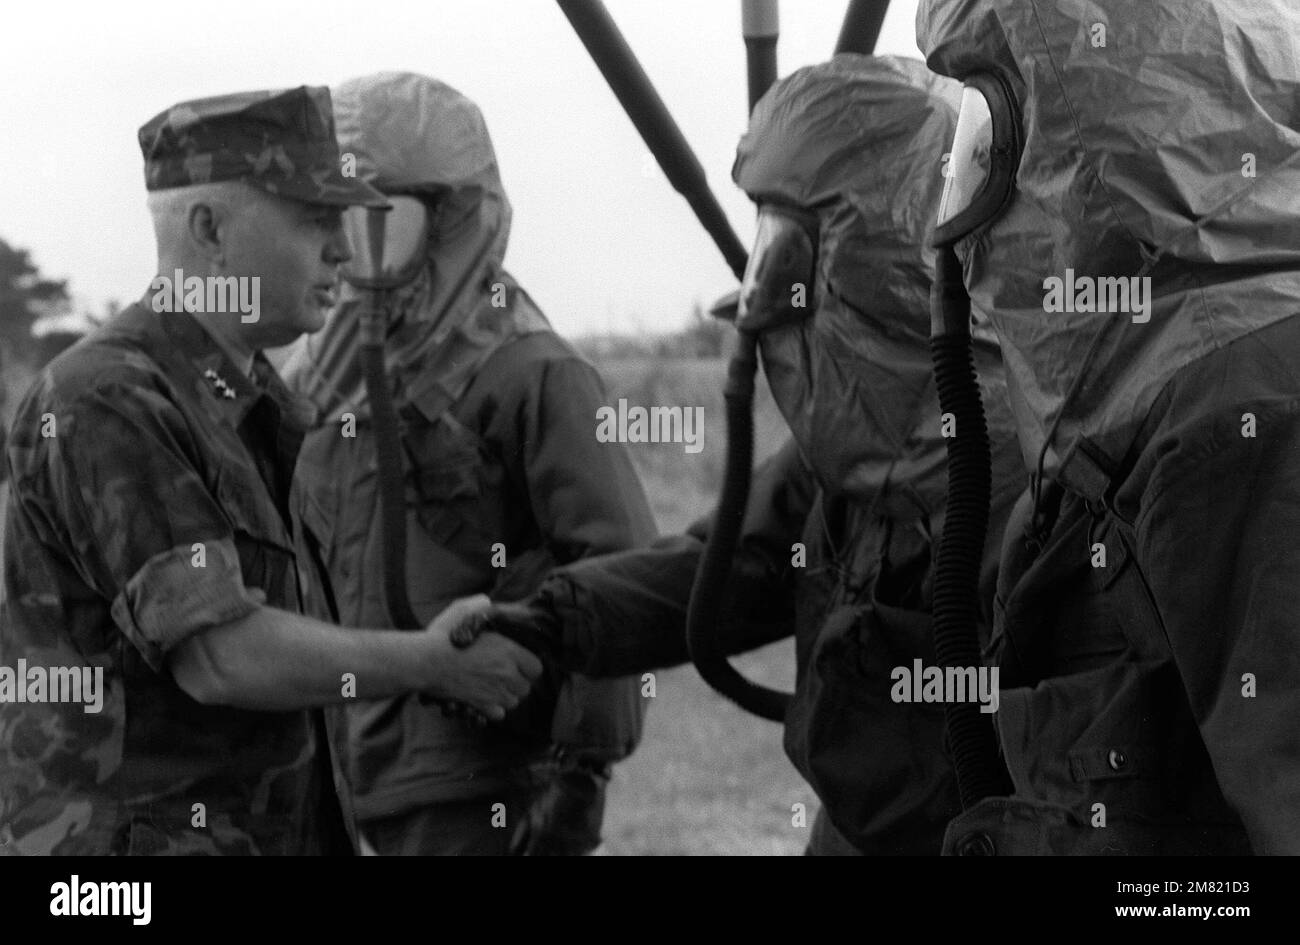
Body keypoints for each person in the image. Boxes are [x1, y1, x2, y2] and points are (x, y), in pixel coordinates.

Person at [466, 55, 1026, 855]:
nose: (766, 287)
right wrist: (544, 620)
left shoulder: (1026, 469)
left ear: (871, 258)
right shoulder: (843, 462)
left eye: (787, 241)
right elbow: (726, 568)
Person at [0, 86, 541, 856]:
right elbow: (221, 656)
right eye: (316, 220)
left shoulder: (248, 404)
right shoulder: (110, 398)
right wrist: (432, 663)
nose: (344, 252)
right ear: (210, 230)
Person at [916, 0, 1300, 854]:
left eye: (986, 136)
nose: (962, 201)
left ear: (1089, 142)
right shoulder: (1114, 431)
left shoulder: (1254, 421)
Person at [281, 72, 655, 856]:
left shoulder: (532, 371)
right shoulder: (323, 373)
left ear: (454, 217)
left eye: (383, 218)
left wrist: (582, 772)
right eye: (338, 218)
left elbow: (621, 569)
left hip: (480, 785)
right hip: (342, 774)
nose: (356, 248)